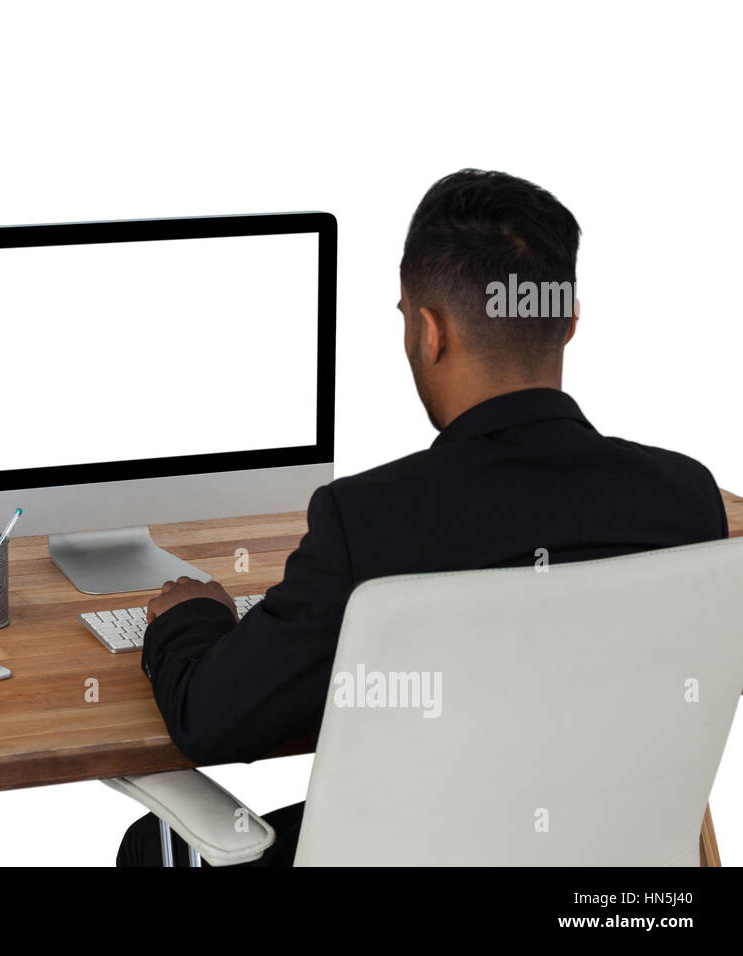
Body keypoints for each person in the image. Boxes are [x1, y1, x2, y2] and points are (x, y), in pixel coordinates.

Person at [118, 169, 730, 866]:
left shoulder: (369, 521)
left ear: (429, 332)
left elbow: (210, 721)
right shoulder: (687, 500)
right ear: (569, 320)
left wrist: (188, 620)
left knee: (157, 847)